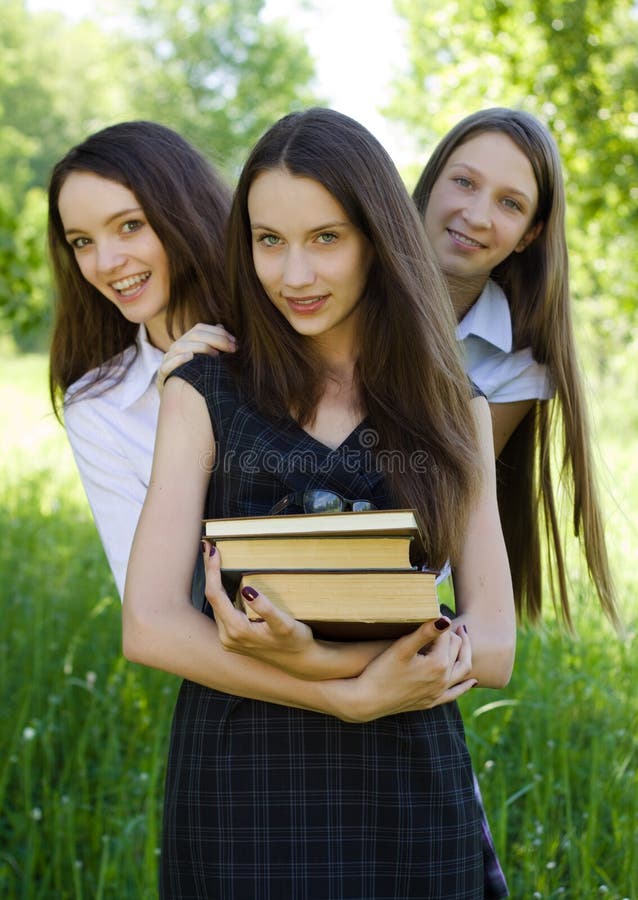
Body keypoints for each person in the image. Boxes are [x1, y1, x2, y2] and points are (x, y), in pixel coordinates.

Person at [123, 108, 516, 899]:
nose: (293, 275)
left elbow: (497, 645)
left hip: (408, 783)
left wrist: (324, 664)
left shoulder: (453, 406)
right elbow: (149, 624)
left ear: (378, 237)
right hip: (245, 782)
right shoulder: (203, 390)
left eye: (325, 238)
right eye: (270, 241)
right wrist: (340, 688)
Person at [412, 107, 618, 629]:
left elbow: (449, 498)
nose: (478, 216)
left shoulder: (517, 363)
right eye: (464, 182)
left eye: (510, 203)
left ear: (530, 233)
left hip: (400, 564)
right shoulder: (336, 281)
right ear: (431, 183)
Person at [47, 121, 236, 597]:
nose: (105, 262)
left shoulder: (292, 338)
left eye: (130, 226)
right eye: (82, 242)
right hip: (231, 660)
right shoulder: (98, 407)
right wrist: (182, 406)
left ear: (184, 212)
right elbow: (156, 609)